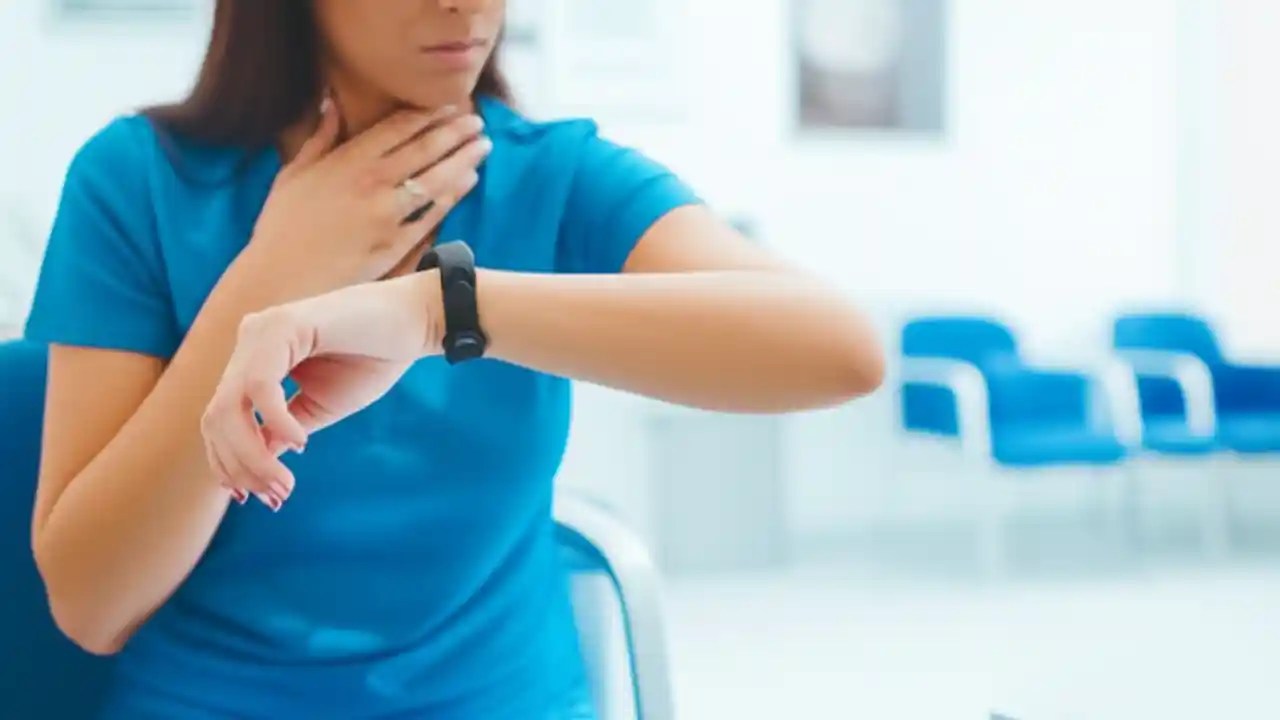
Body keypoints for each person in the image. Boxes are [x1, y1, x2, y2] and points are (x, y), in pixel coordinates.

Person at [24, 1, 884, 718]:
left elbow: (839, 350)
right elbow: (93, 604)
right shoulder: (139, 180)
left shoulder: (556, 177)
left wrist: (443, 309)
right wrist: (273, 272)